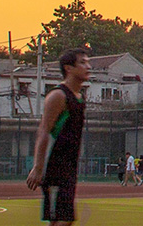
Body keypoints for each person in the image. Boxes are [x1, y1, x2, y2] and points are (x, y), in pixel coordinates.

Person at [27, 48, 90, 226]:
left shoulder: (79, 98)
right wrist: (38, 167)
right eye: (82, 62)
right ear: (68, 68)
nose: (88, 66)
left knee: (63, 220)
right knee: (61, 220)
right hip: (55, 167)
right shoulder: (58, 96)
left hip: (68, 167)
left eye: (88, 62)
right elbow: (44, 131)